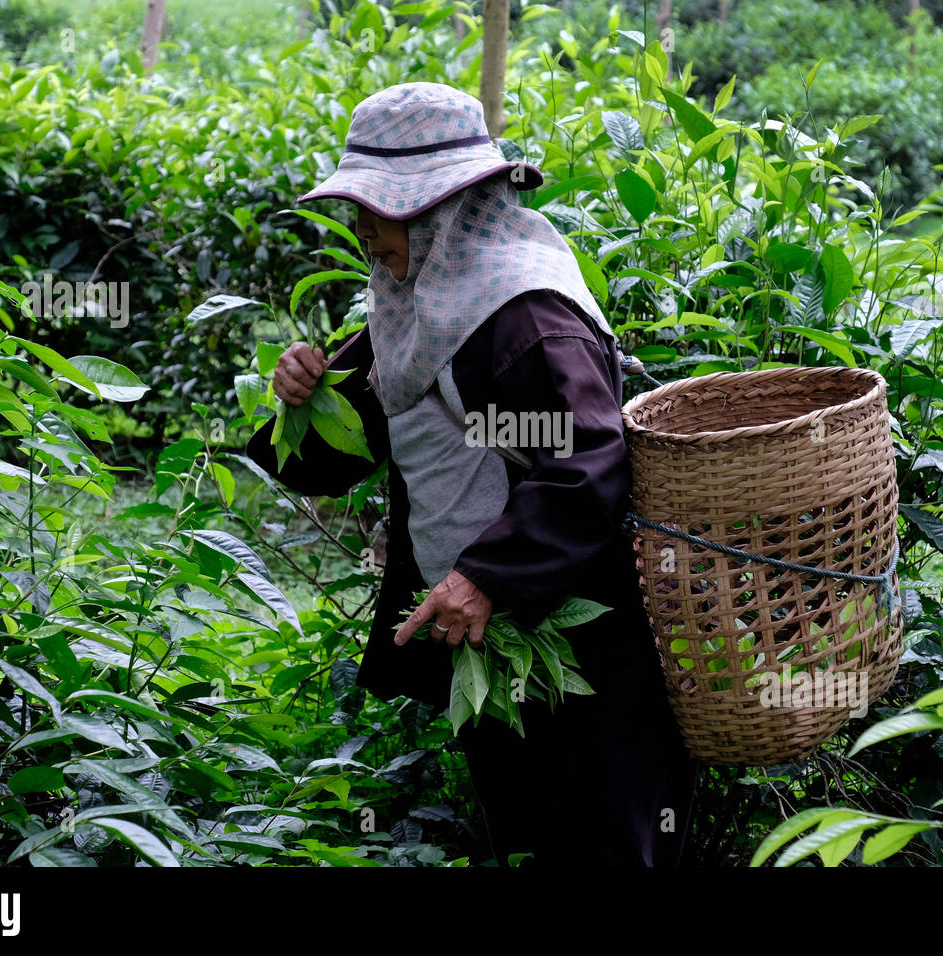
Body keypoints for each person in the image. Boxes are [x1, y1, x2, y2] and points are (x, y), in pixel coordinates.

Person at [247, 81, 698, 867]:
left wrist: (488, 575)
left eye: (376, 212)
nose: (361, 234)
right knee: (527, 839)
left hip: (588, 644)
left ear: (438, 211)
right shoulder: (413, 304)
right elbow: (335, 457)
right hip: (494, 647)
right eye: (356, 210)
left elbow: (588, 460)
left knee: (606, 841)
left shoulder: (525, 311)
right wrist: (299, 398)